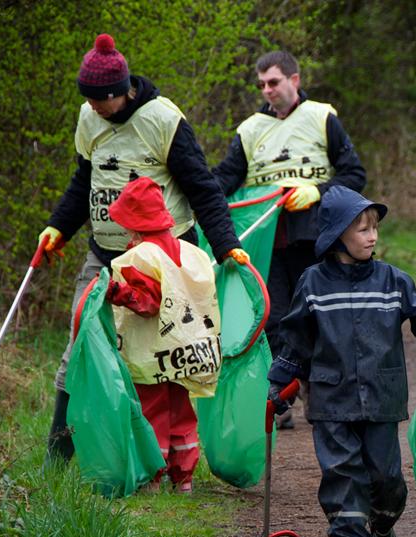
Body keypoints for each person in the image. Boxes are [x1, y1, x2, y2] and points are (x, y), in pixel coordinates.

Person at [40, 33, 247, 465]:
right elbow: (85, 181)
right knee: (79, 349)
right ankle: (58, 459)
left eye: (100, 100)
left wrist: (228, 247)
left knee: (159, 361)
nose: (93, 107)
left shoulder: (163, 120)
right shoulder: (88, 118)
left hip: (161, 264)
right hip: (104, 256)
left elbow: (204, 189)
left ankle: (165, 459)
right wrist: (58, 227)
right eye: (88, 100)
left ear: (120, 91)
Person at [266, 186, 416, 537]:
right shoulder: (313, 284)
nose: (372, 237)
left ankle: (382, 524)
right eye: (362, 229)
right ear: (336, 235)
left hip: (381, 397)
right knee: (341, 474)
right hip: (331, 398)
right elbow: (295, 340)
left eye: (374, 228)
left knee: (386, 477)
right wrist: (279, 383)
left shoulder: (391, 281)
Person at [212, 50, 366, 429]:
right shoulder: (249, 130)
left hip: (317, 237)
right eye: (262, 84)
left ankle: (323, 392)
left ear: (294, 81)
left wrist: (318, 190)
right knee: (275, 318)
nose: (267, 90)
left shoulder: (321, 117)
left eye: (274, 82)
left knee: (319, 316)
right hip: (267, 243)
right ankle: (283, 396)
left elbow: (354, 174)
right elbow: (222, 181)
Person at [102, 176, 220, 493]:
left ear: (136, 224)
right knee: (182, 414)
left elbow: (148, 303)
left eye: (126, 224)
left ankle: (152, 478)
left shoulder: (142, 257)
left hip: (151, 354)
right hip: (185, 351)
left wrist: (116, 292)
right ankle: (184, 479)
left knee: (151, 412)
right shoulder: (190, 251)